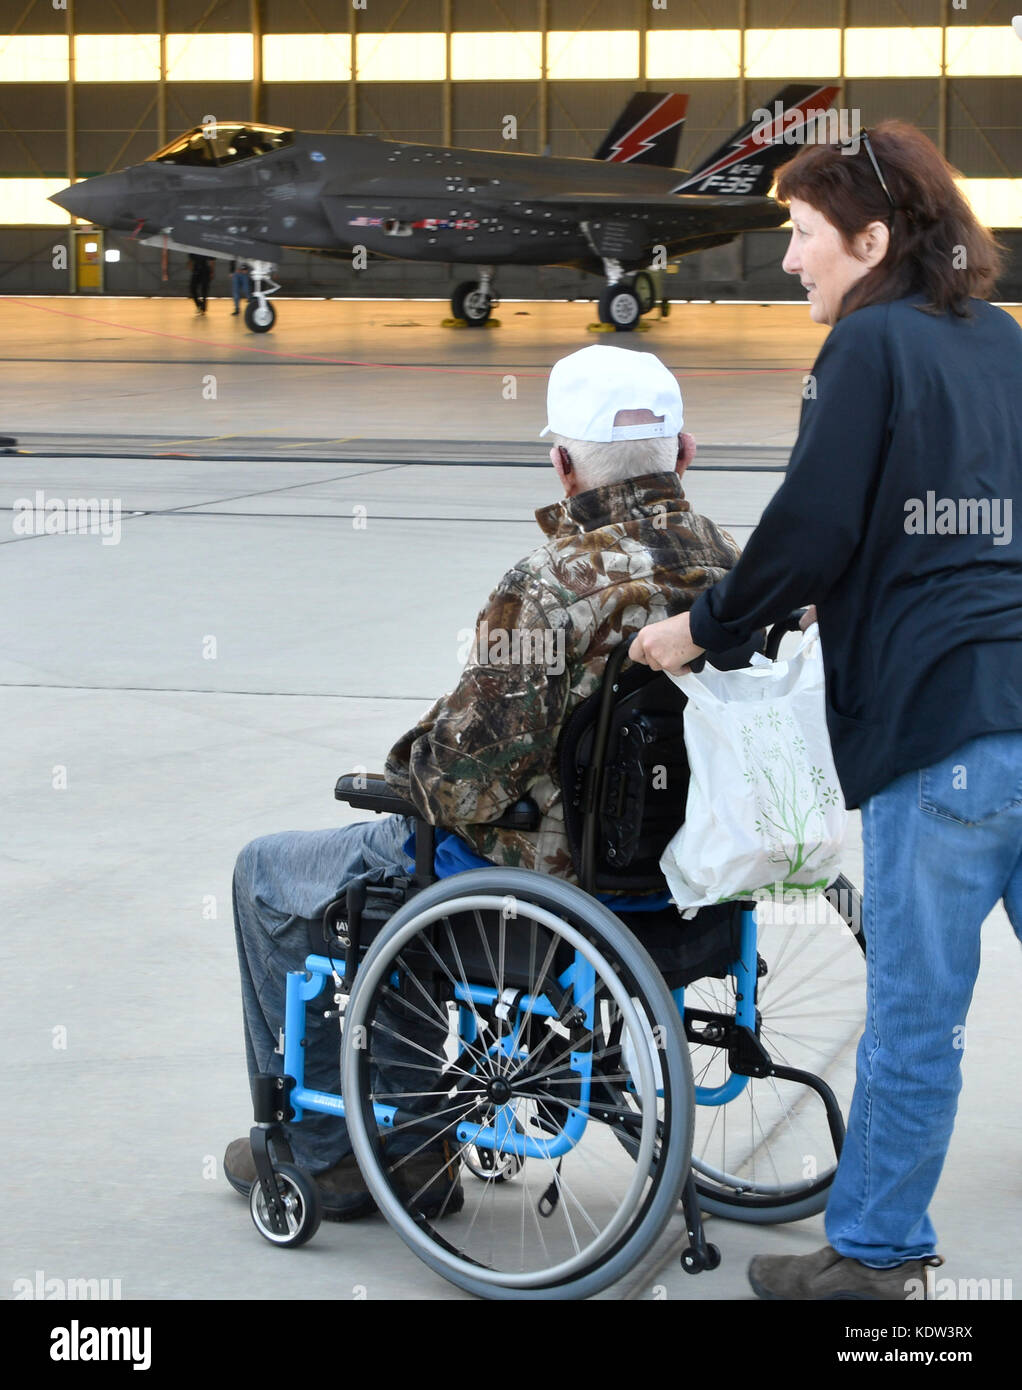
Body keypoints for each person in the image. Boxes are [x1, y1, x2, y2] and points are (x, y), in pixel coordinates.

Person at [628, 120, 1022, 1300]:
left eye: (800, 236)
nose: (790, 259)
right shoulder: (996, 340)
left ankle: (874, 1258)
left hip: (938, 728)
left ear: (870, 237)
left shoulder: (865, 349)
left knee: (914, 1015)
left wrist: (697, 629)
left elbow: (810, 525)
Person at [226, 344, 741, 1220]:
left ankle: (336, 1157)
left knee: (275, 873)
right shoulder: (731, 566)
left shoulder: (543, 586)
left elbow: (460, 784)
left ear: (563, 464)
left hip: (542, 894)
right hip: (687, 881)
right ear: (683, 453)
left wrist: (401, 767)